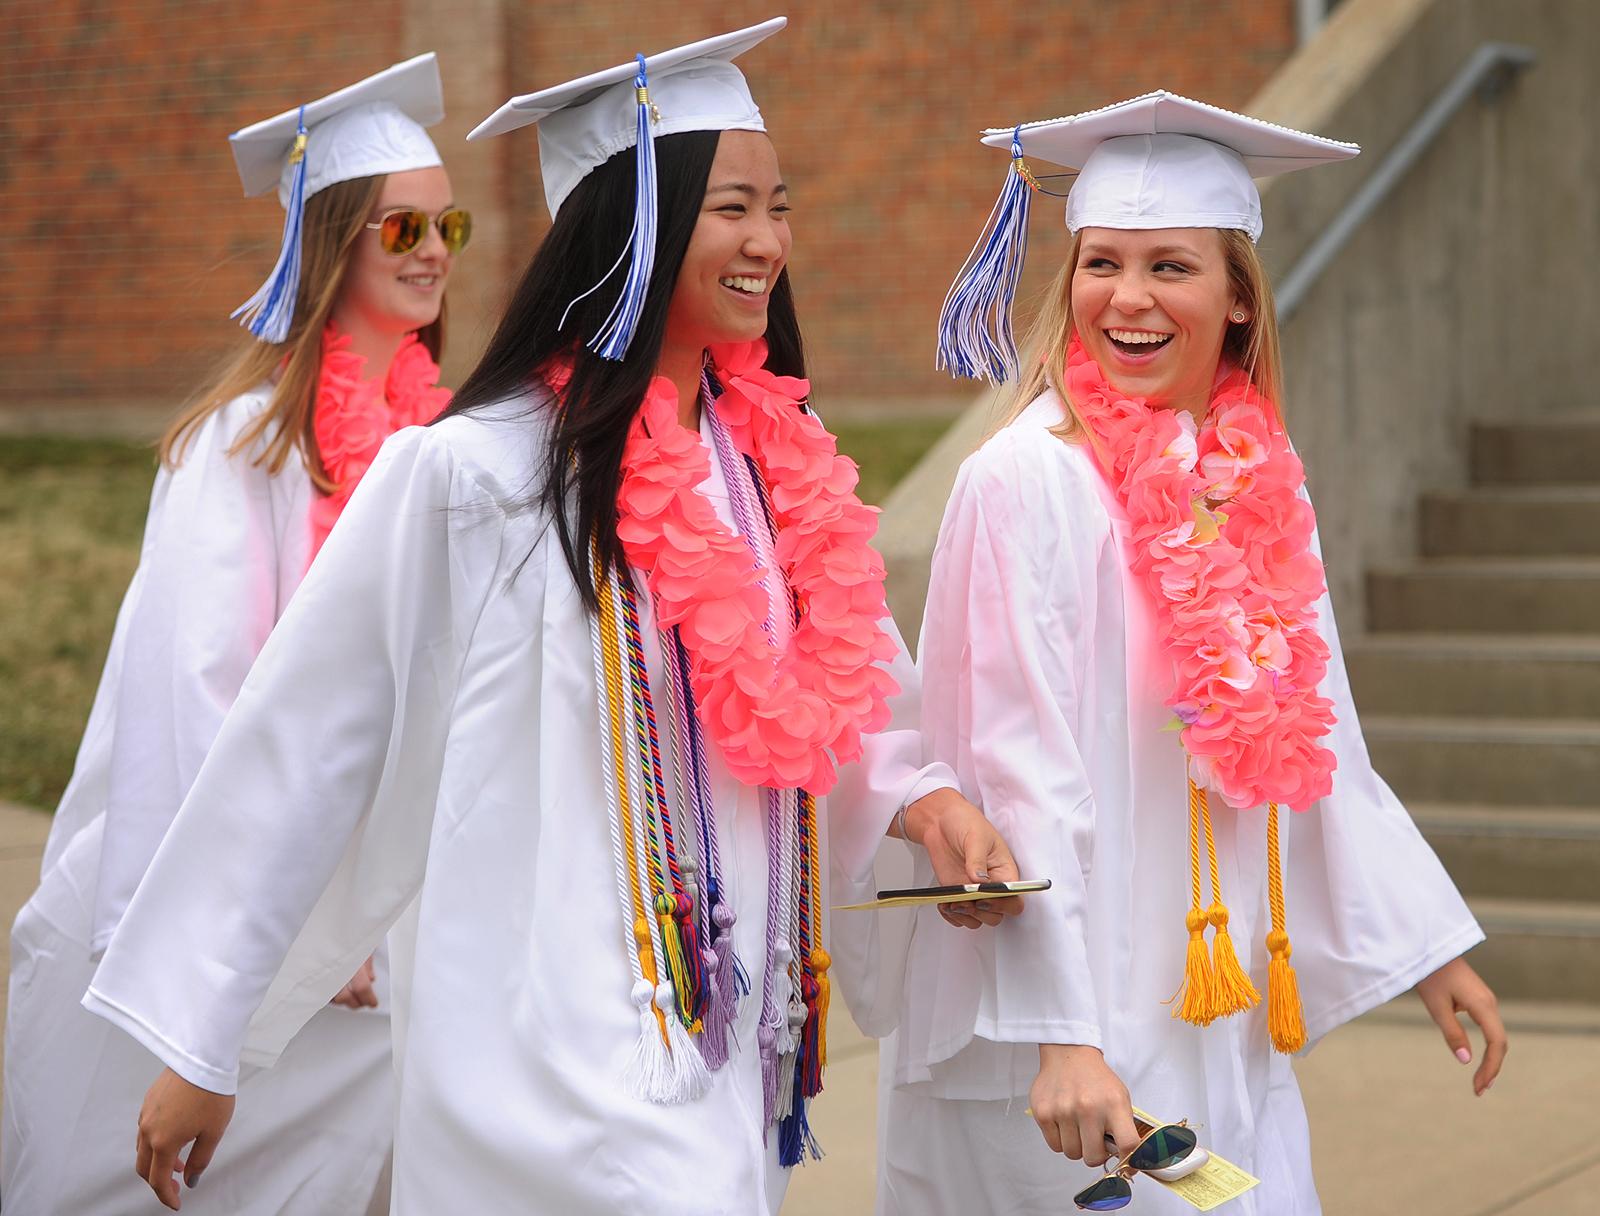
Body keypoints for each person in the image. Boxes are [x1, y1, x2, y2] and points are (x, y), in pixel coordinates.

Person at [83, 19, 1019, 1215]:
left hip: (720, 1026)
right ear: (631, 227)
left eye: (778, 206)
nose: (770, 241)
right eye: (731, 208)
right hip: (542, 1025)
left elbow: (840, 695)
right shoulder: (476, 474)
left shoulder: (770, 470)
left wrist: (922, 803)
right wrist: (210, 1038)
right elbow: (315, 735)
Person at [868, 91, 1508, 1215]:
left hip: (1216, 1020)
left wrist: (1422, 947)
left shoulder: (1252, 486)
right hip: (1063, 1053)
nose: (1127, 298)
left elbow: (1324, 746)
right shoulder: (1025, 483)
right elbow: (1011, 771)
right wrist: (1061, 1033)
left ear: (1237, 301)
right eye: (1101, 262)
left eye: (1170, 266)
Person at [3, 55, 466, 1215]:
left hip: (375, 931)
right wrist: (284, 933)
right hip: (236, 921)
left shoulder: (443, 452)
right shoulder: (248, 447)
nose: (432, 248)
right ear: (329, 246)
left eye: (445, 221)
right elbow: (198, 703)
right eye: (400, 224)